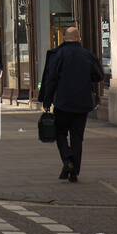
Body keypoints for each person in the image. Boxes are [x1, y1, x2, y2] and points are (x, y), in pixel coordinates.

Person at [38, 27, 104, 182]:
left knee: (60, 133)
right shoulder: (87, 55)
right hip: (82, 104)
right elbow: (99, 75)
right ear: (78, 38)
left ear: (65, 39)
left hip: (63, 103)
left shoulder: (59, 55)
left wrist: (47, 101)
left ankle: (68, 160)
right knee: (77, 137)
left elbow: (51, 79)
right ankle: (74, 171)